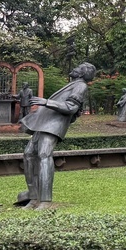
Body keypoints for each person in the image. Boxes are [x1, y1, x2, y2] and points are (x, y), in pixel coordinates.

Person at [18, 62, 96, 209]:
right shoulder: (73, 84)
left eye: (79, 68)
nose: (74, 68)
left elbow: (71, 107)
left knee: (44, 155)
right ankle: (34, 198)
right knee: (28, 154)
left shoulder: (81, 86)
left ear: (82, 73)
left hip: (54, 125)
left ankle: (45, 200)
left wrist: (46, 102)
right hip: (45, 123)